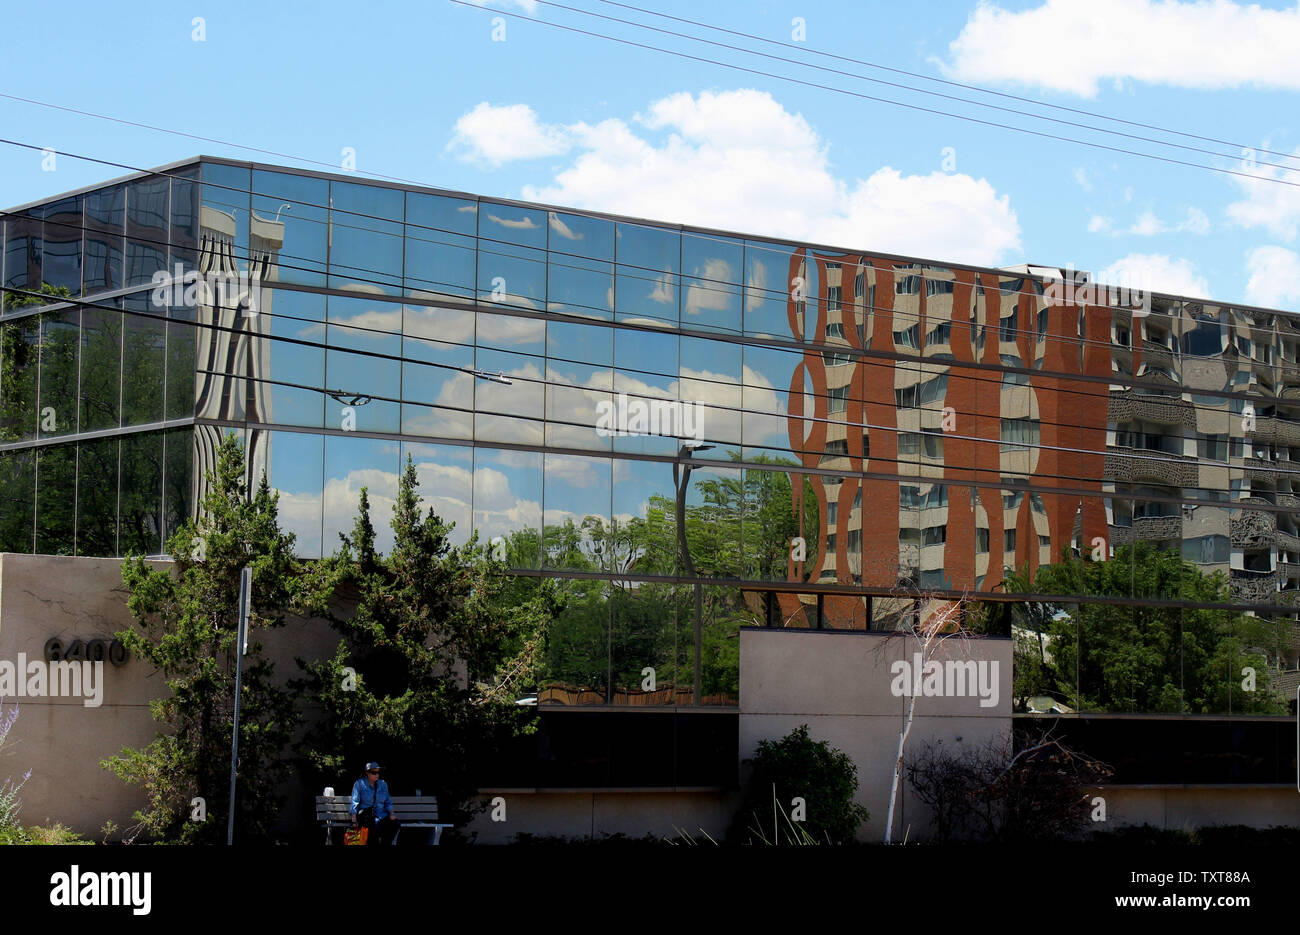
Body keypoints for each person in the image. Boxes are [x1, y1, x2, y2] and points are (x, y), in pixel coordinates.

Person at [350, 761, 400, 846]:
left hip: (381, 815)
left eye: (378, 772)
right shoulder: (359, 784)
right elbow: (355, 802)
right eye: (374, 772)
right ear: (367, 773)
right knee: (374, 829)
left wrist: (391, 813)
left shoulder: (383, 784)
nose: (377, 774)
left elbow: (388, 801)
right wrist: (354, 820)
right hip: (366, 816)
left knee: (395, 824)